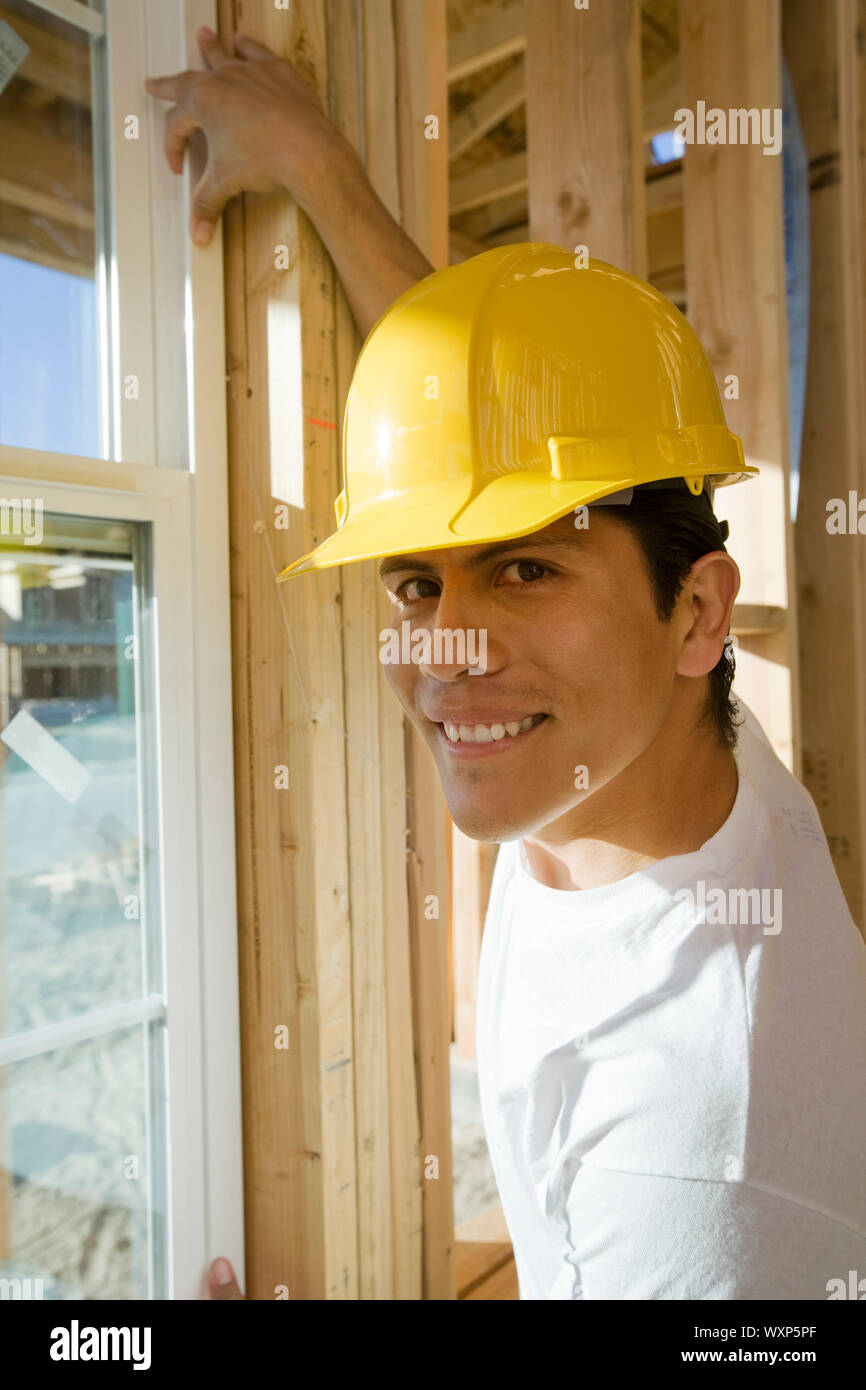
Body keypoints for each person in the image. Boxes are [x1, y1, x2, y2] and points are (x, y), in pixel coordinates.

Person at [147, 29, 866, 1303]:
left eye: (526, 573)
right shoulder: (674, 742)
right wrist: (320, 165)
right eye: (417, 581)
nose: (444, 651)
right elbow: (496, 432)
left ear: (697, 614)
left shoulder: (703, 1167)